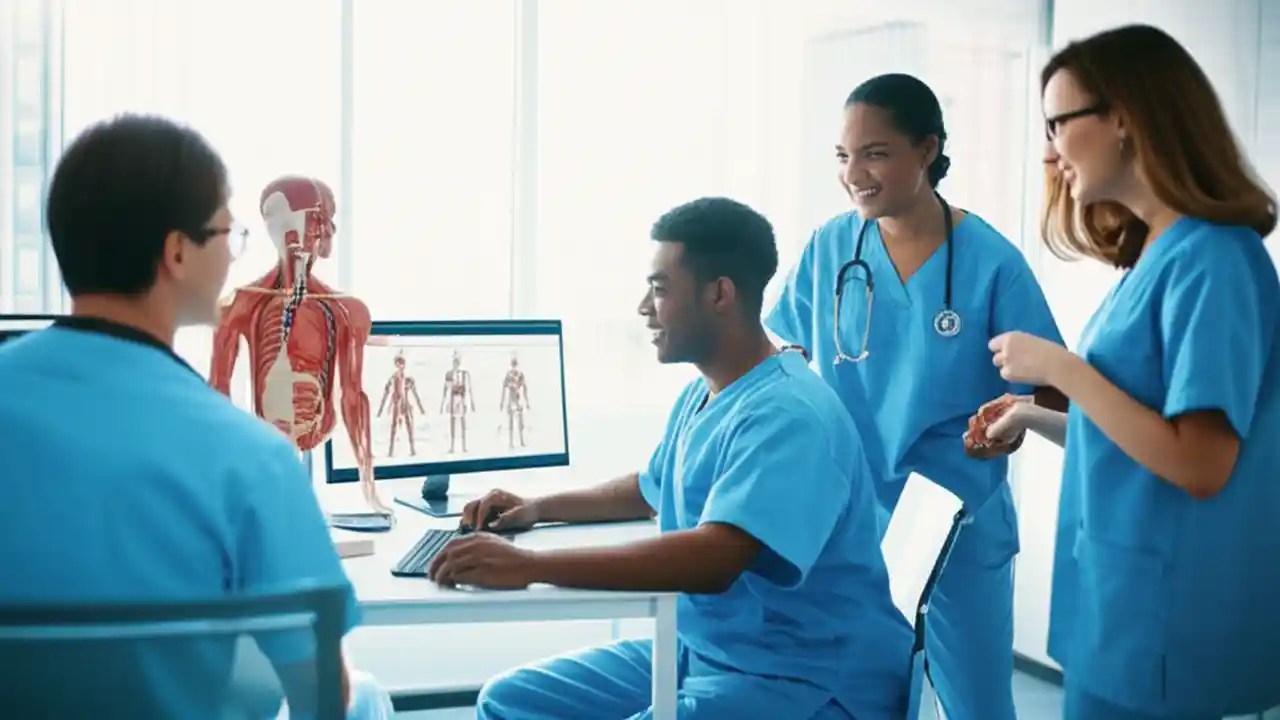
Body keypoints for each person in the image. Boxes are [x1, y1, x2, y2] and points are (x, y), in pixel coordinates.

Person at [429, 197, 914, 719]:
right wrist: (537, 507)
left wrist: (532, 566)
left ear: (720, 294)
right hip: (707, 653)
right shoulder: (707, 392)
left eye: (660, 289)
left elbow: (714, 559)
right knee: (510, 703)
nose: (644, 307)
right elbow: (649, 486)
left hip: (804, 678)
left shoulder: (791, 415)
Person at [0, 114, 393, 719]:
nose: (236, 257)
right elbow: (321, 700)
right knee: (365, 696)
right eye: (227, 235)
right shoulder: (253, 457)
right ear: (177, 252)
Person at [965, 24, 1280, 720]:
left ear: (1125, 119)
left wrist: (1060, 369)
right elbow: (1135, 436)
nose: (1048, 152)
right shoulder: (1157, 255)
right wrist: (1031, 413)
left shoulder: (1216, 261)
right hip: (1117, 612)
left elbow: (1199, 462)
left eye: (1058, 124)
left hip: (1168, 625)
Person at [765, 73, 1064, 720]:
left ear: (927, 150)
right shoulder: (831, 246)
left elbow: (1052, 394)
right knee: (853, 698)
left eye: (875, 153)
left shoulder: (991, 263)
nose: (854, 174)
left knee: (978, 705)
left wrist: (1014, 419)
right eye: (844, 156)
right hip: (853, 522)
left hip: (961, 520)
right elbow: (782, 349)